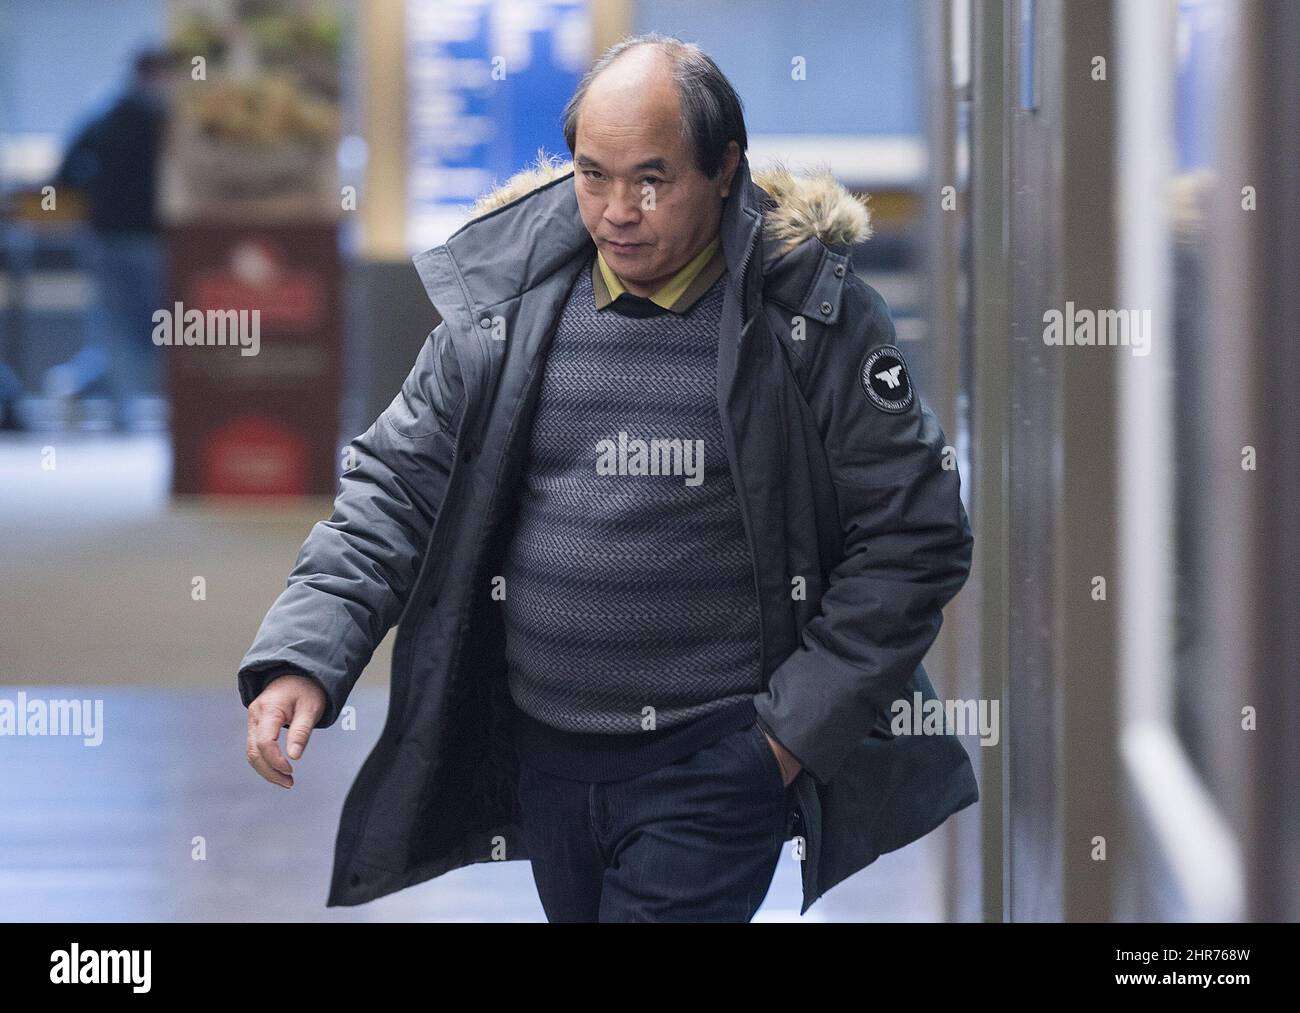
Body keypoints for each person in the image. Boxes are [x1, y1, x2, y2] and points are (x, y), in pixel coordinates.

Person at [238, 32, 977, 921]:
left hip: (715, 763)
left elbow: (915, 535)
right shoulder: (505, 310)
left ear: (725, 169)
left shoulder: (809, 317)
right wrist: (306, 653)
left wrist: (784, 740)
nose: (618, 210)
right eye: (594, 175)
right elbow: (394, 487)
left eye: (652, 180)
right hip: (552, 764)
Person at [46, 48, 173, 430]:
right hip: (149, 237)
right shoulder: (165, 121)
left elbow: (67, 171)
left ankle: (107, 401)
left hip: (105, 234)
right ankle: (118, 404)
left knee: (118, 325)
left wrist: (100, 195)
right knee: (152, 326)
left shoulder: (103, 115)